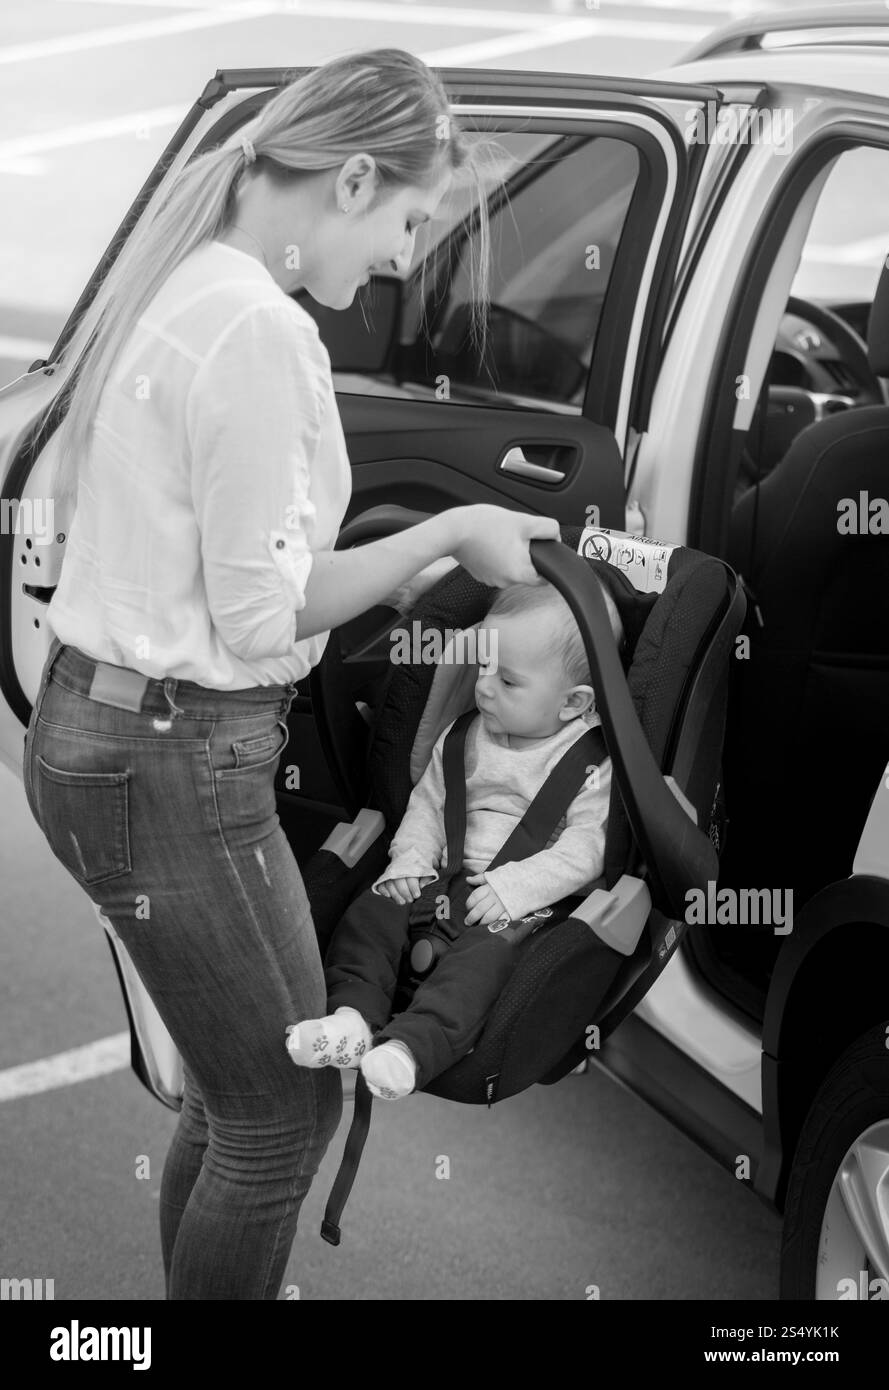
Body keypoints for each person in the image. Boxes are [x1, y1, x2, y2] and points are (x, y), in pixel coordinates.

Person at [20, 48, 562, 1301]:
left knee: (241, 1098)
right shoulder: (262, 331)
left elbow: (236, 568)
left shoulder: (190, 282)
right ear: (356, 175)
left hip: (111, 733)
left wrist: (382, 567)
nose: (403, 258)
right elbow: (264, 619)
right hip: (173, 766)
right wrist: (440, 536)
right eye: (411, 220)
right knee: (279, 1119)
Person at [286, 576, 625, 1098]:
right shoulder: (466, 734)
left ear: (572, 702)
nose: (484, 685)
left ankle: (408, 1050)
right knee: (371, 914)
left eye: (508, 681)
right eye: (483, 665)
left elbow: (589, 848)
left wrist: (517, 888)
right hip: (441, 875)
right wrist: (411, 860)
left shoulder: (589, 764)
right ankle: (352, 1019)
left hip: (518, 904)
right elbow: (428, 802)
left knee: (481, 968)